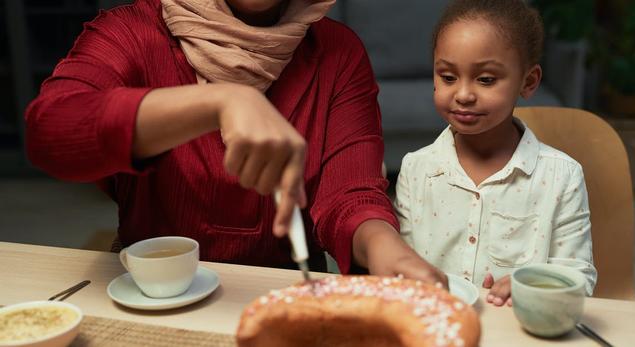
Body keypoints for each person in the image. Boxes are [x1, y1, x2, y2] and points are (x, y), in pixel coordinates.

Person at [25, 0, 446, 284]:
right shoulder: (131, 31)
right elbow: (51, 131)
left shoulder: (338, 51)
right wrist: (219, 100)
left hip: (285, 286)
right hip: (150, 287)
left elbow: (350, 194)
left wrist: (385, 246)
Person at [393, 0, 596, 306]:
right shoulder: (415, 168)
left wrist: (534, 287)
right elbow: (401, 265)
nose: (463, 95)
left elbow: (579, 279)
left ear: (528, 82)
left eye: (486, 79)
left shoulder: (562, 175)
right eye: (447, 77)